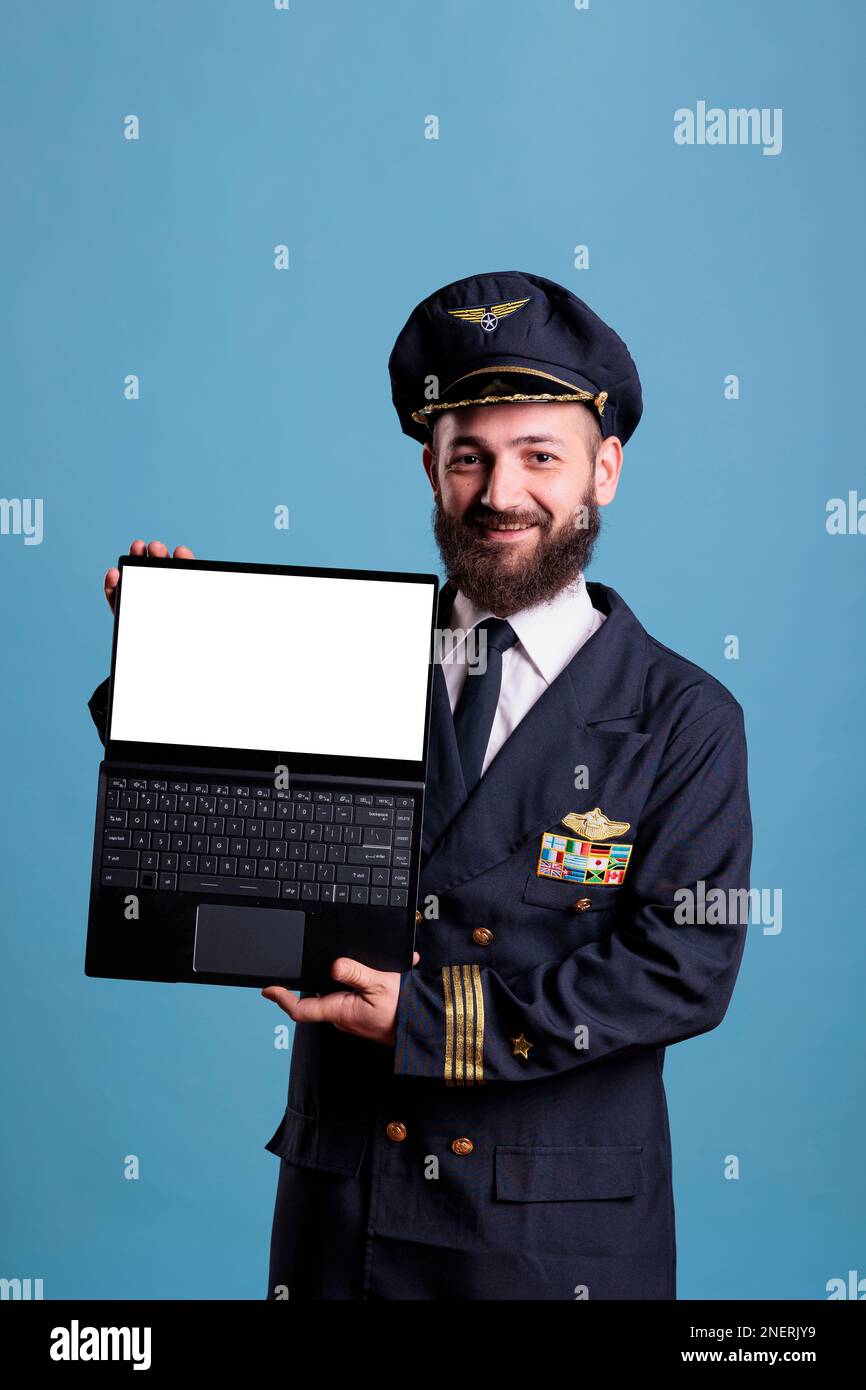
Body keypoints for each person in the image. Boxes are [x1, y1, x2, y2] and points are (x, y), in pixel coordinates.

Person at [91, 270, 752, 1301]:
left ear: (603, 470)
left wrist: (426, 1020)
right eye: (468, 459)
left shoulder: (682, 716)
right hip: (344, 1209)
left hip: (549, 1241)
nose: (500, 495)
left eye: (540, 456)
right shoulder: (334, 662)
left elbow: (682, 969)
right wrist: (168, 659)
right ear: (431, 471)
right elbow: (223, 833)